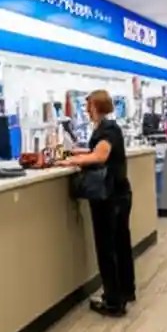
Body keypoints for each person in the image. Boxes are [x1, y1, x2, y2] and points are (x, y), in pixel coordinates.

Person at [58, 90, 134, 317]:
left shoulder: (106, 129)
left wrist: (73, 160)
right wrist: (79, 151)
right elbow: (99, 151)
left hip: (107, 197)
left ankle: (112, 301)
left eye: (88, 105)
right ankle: (126, 291)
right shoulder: (109, 128)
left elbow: (100, 156)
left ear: (95, 106)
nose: (86, 110)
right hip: (120, 193)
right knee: (121, 243)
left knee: (107, 247)